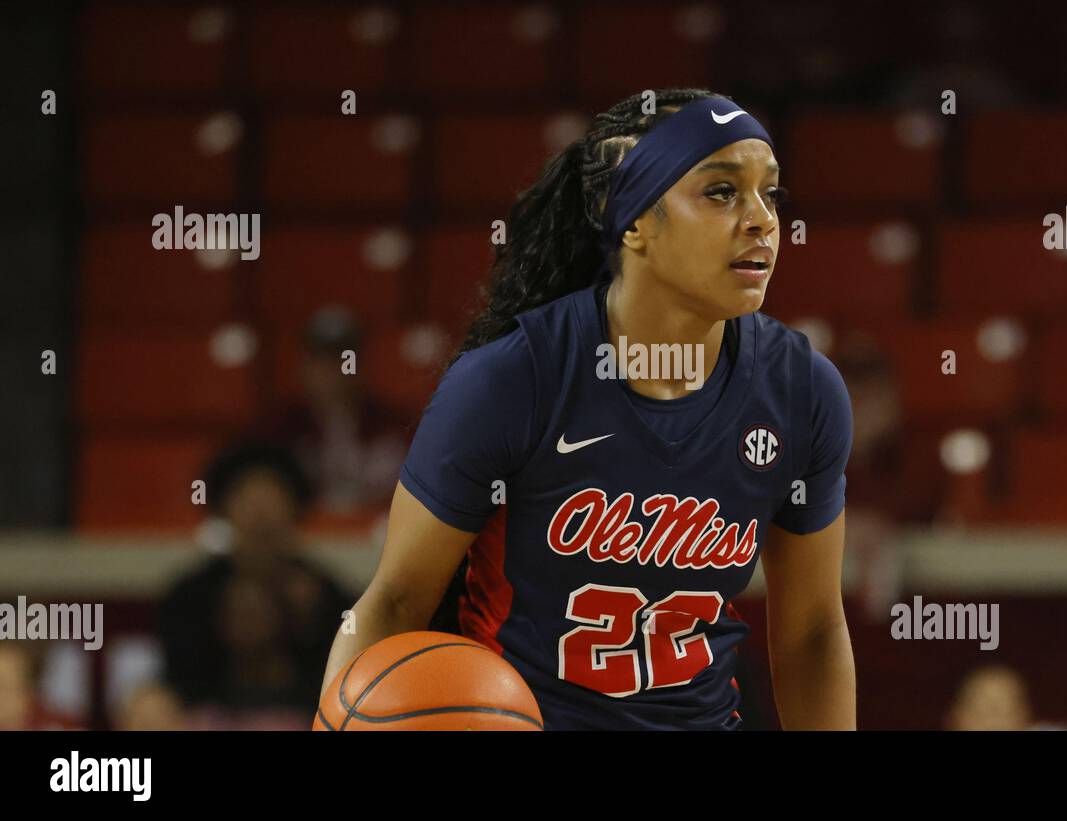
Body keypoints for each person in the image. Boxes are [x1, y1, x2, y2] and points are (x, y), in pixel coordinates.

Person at [320, 88, 857, 730]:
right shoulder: (513, 380)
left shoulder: (802, 390)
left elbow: (812, 634)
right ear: (634, 222)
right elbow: (396, 599)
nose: (763, 220)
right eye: (721, 192)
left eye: (770, 194)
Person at [158, 441, 352, 725]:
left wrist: (306, 624)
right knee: (149, 704)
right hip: (212, 716)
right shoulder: (189, 595)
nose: (260, 511)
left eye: (271, 496)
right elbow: (181, 680)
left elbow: (342, 683)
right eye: (246, 496)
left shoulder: (328, 595)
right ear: (224, 508)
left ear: (294, 507)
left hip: (304, 717)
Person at [262, 307, 410, 517]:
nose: (333, 372)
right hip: (305, 535)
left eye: (343, 360)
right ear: (304, 366)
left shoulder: (392, 425)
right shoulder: (280, 428)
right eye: (321, 361)